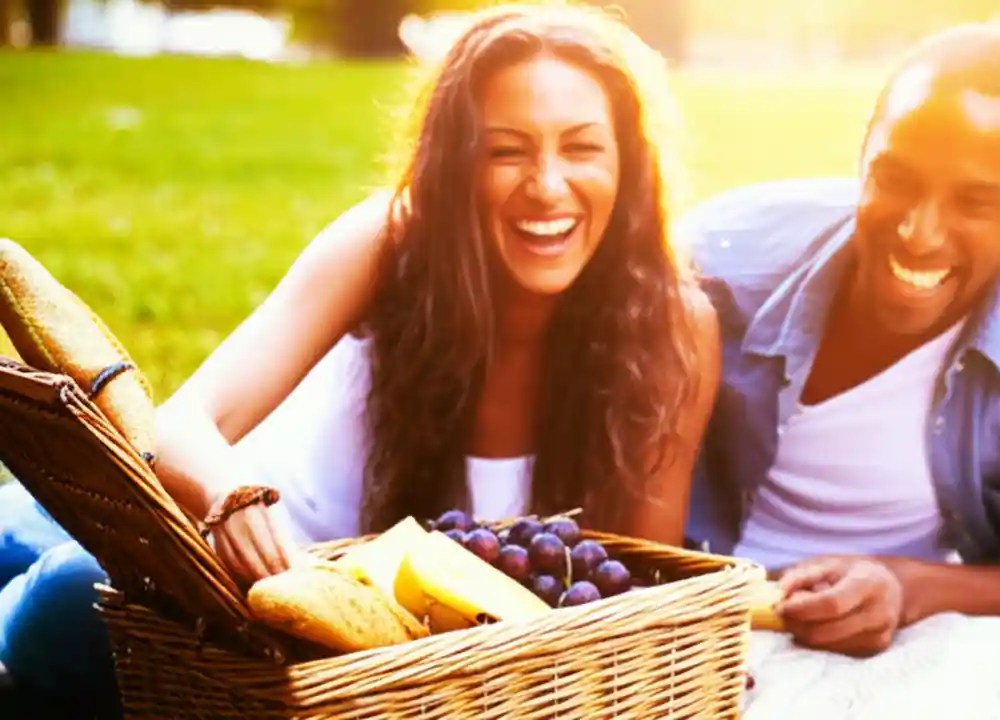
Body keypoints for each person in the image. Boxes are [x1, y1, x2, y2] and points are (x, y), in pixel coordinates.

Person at [0, 4, 719, 714]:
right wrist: (234, 498)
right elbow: (179, 424)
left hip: (314, 668)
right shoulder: (389, 245)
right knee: (53, 583)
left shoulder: (670, 330)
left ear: (630, 163)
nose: (548, 185)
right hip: (185, 542)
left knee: (62, 604)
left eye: (583, 147)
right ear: (457, 164)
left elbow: (637, 593)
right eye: (507, 150)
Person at [683, 26, 1000, 658]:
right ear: (864, 147)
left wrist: (913, 587)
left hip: (899, 643)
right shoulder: (720, 263)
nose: (919, 234)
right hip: (685, 626)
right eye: (896, 179)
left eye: (973, 203)